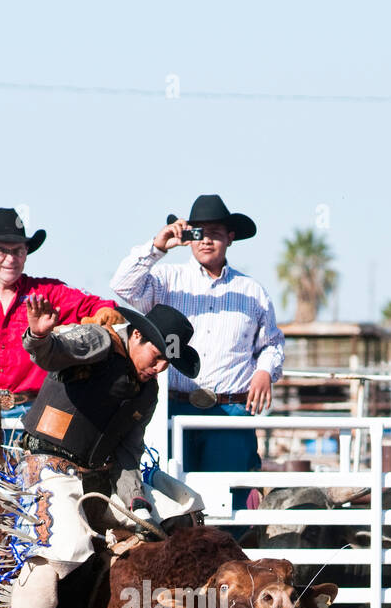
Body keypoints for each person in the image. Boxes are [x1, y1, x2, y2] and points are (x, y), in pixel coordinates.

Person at [13, 293, 199, 608]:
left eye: (166, 363)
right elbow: (54, 352)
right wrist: (39, 335)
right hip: (45, 463)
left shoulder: (146, 392)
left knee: (163, 534)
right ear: (135, 335)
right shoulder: (98, 341)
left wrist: (138, 506)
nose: (158, 368)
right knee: (72, 548)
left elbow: (129, 455)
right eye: (156, 356)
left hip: (98, 476)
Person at [110, 193, 285, 506]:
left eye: (215, 233)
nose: (206, 241)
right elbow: (122, 286)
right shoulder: (166, 280)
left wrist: (264, 371)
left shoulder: (252, 291)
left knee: (228, 501)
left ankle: (231, 553)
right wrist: (157, 246)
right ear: (187, 237)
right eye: (198, 233)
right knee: (168, 500)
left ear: (230, 238)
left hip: (230, 411)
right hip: (172, 408)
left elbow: (272, 343)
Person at [0, 208, 114, 473]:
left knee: (34, 500)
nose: (11, 259)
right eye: (2, 251)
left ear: (26, 254)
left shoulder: (48, 293)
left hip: (33, 416)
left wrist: (95, 326)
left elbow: (102, 307)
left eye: (18, 250)